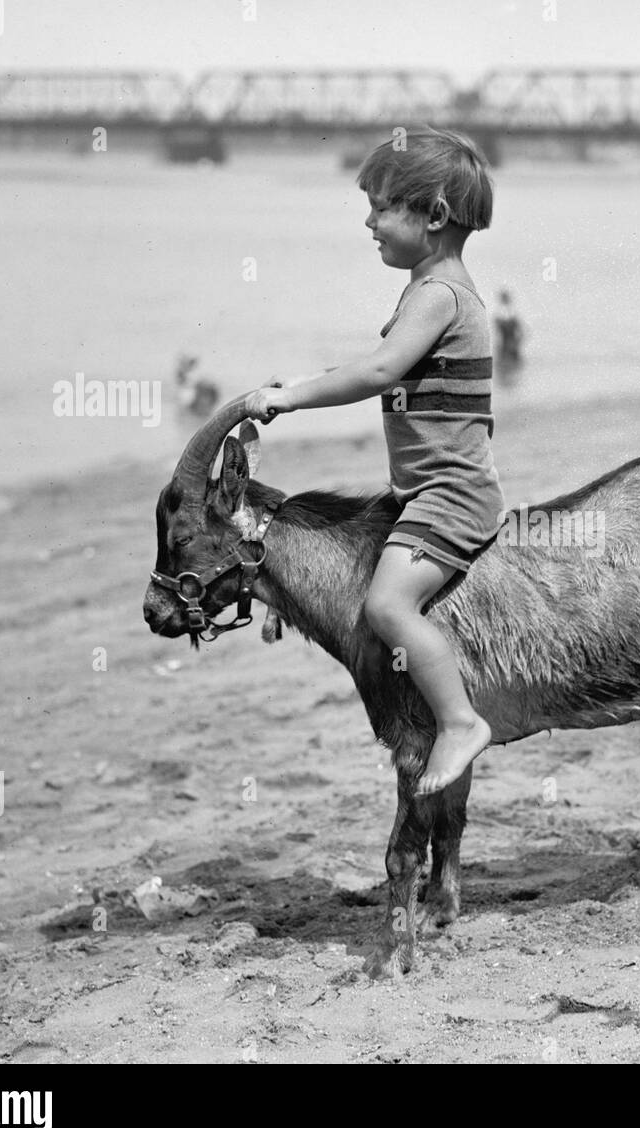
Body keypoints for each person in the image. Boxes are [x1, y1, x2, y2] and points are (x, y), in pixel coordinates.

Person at [245, 127, 503, 797]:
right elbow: (375, 370)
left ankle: (457, 721)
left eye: (383, 206)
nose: (369, 221)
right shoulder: (429, 291)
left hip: (451, 496)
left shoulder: (439, 297)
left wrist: (294, 397)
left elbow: (380, 368)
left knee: (387, 606)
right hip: (421, 490)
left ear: (435, 215)